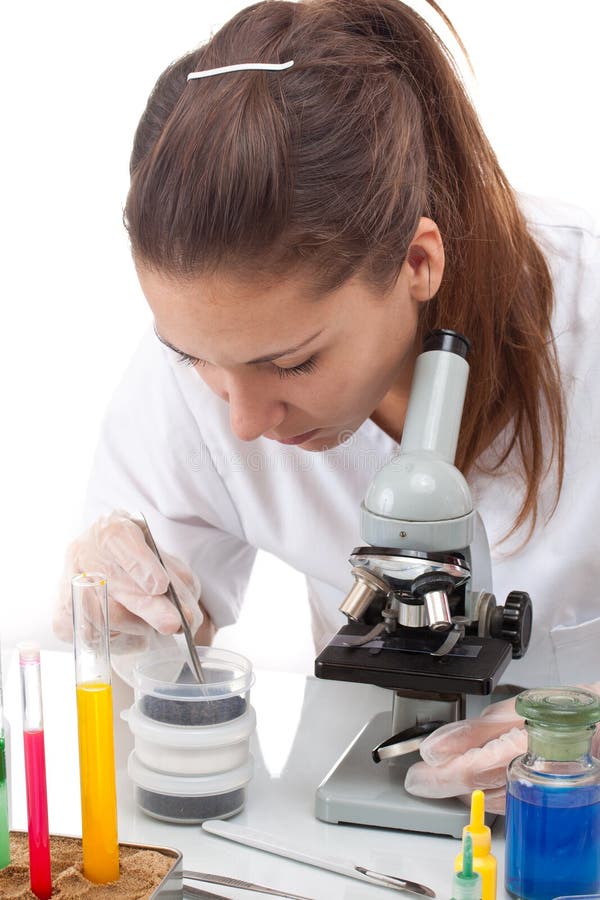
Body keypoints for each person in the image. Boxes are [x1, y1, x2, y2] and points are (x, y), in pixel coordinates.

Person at [53, 0, 600, 814]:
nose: (243, 419)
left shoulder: (586, 321)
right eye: (197, 358)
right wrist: (116, 602)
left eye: (294, 362)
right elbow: (157, 626)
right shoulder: (210, 353)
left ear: (417, 262)